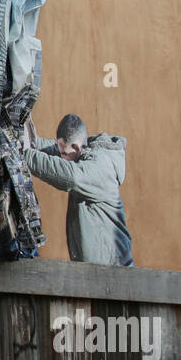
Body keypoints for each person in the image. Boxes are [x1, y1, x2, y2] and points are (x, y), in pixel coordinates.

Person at [24, 113, 134, 266]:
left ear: (76, 147)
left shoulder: (100, 166)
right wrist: (31, 141)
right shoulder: (80, 154)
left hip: (114, 271)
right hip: (99, 270)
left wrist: (25, 156)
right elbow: (55, 150)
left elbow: (71, 176)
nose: (62, 157)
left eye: (64, 154)